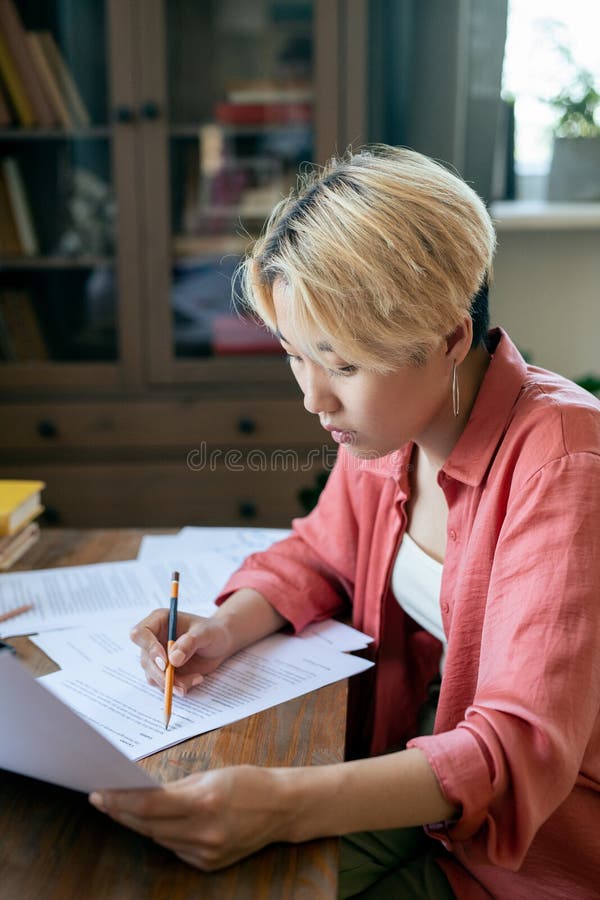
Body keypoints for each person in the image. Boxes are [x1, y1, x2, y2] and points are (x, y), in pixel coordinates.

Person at [88, 146, 600, 899]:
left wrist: (284, 806)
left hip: (531, 855)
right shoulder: (389, 431)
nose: (314, 398)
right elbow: (322, 554)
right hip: (417, 786)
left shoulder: (564, 462)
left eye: (344, 364)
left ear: (452, 339)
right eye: (297, 356)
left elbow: (512, 745)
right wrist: (224, 627)